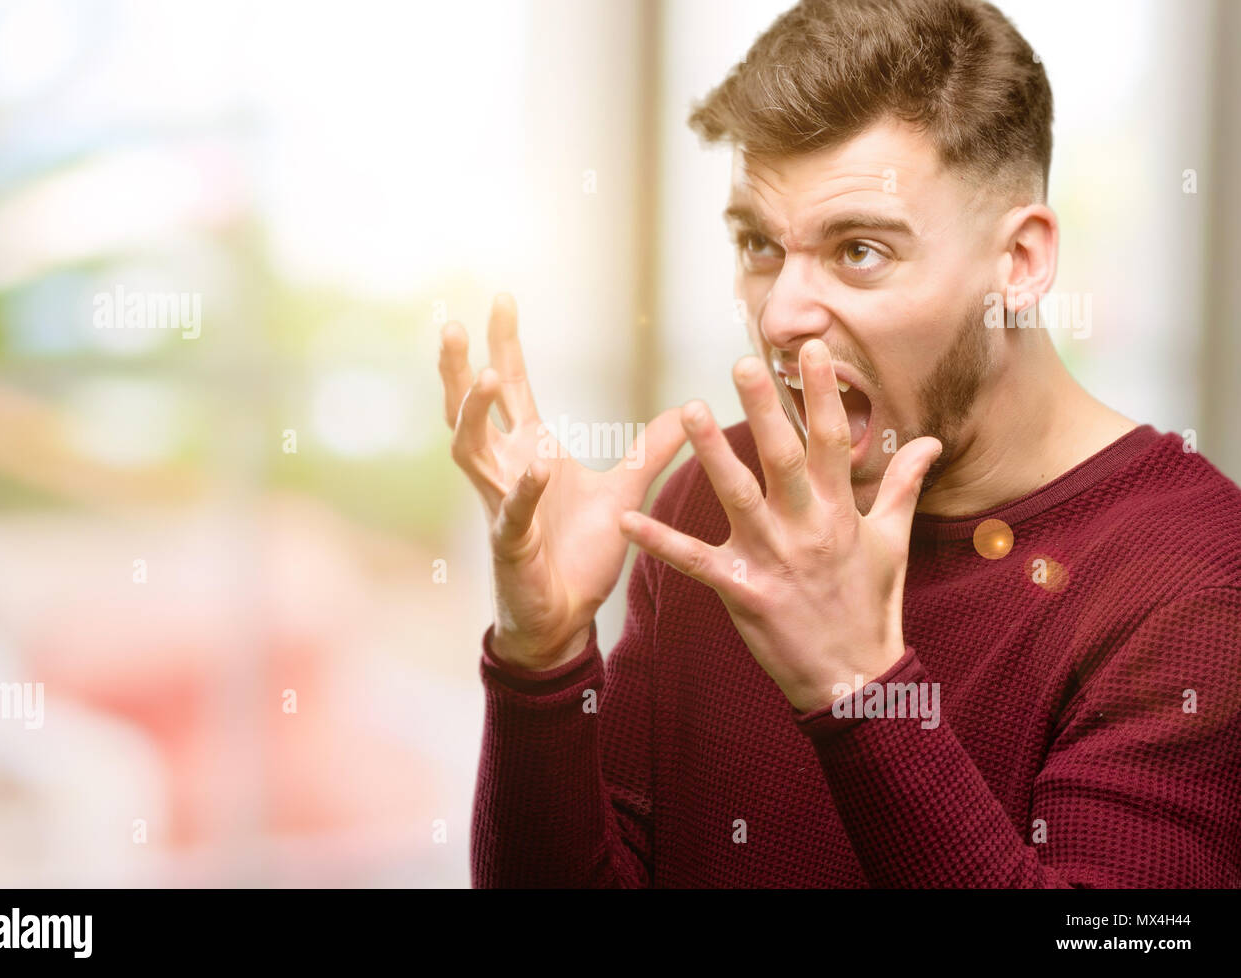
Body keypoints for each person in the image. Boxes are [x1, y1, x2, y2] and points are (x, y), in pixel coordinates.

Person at [439, 0, 1241, 887]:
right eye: (758, 244)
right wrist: (541, 658)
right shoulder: (718, 510)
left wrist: (861, 688)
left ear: (1018, 265)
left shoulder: (1196, 583)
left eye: (859, 249)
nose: (780, 315)